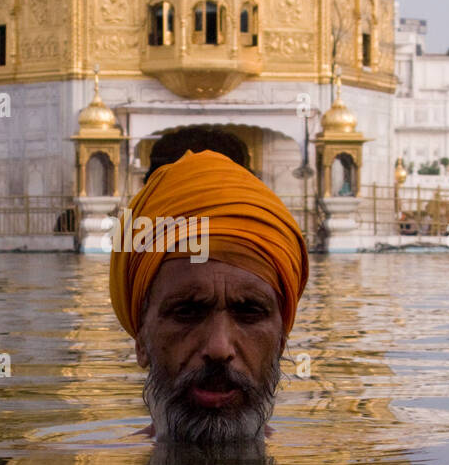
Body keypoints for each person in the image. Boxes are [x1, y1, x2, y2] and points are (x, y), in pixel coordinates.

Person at [109, 148, 308, 446]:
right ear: (141, 339)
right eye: (187, 312)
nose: (218, 348)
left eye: (250, 313)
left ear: (281, 338)